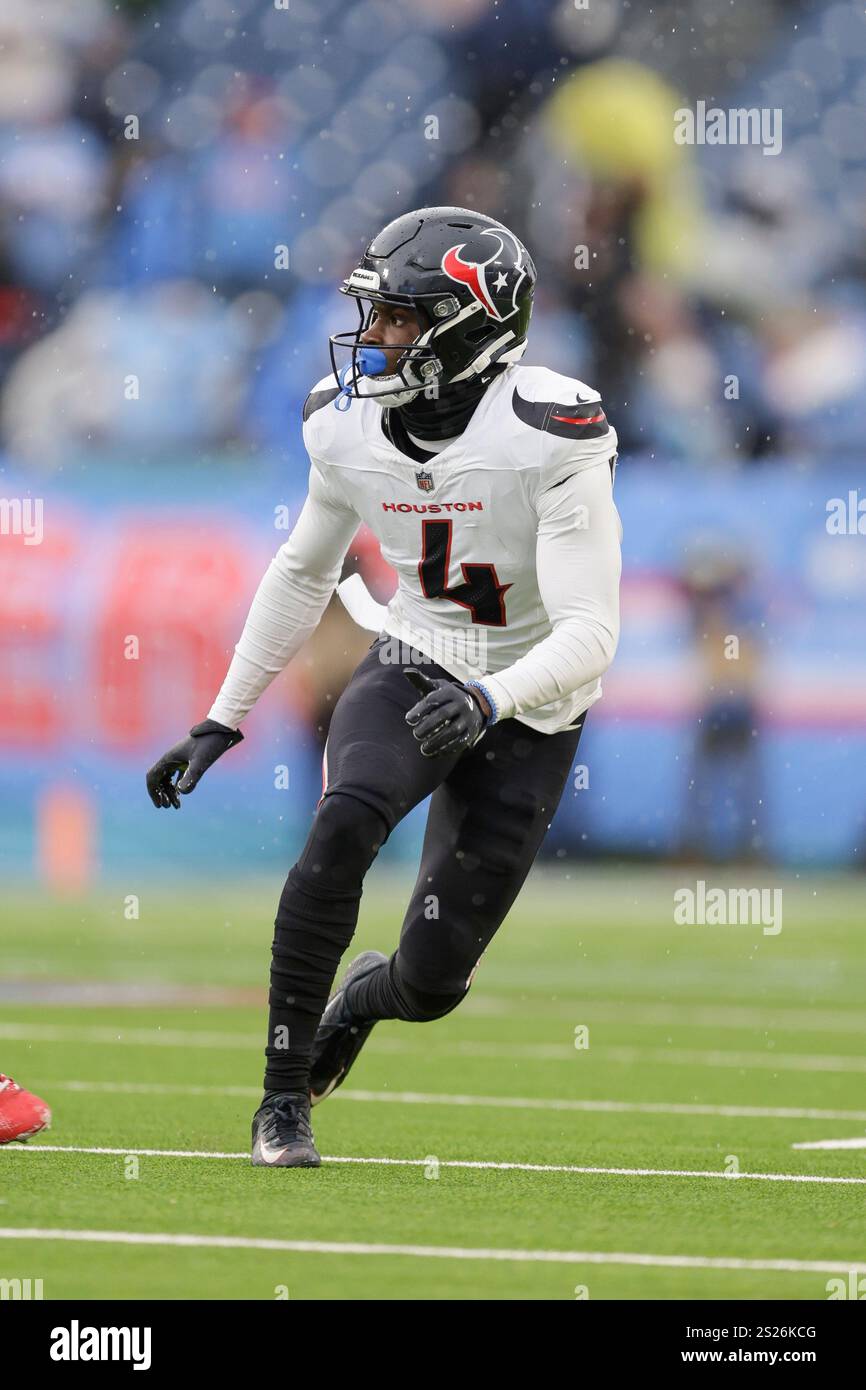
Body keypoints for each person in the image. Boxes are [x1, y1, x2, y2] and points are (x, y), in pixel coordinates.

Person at [146, 206, 623, 1168]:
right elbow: (301, 570)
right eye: (375, 313)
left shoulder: (549, 430)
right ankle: (282, 1099)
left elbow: (591, 633)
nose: (376, 335)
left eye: (402, 317)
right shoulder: (344, 423)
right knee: (342, 824)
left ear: (474, 327)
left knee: (432, 984)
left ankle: (363, 999)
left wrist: (491, 700)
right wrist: (222, 717)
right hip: (417, 655)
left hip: (530, 698)